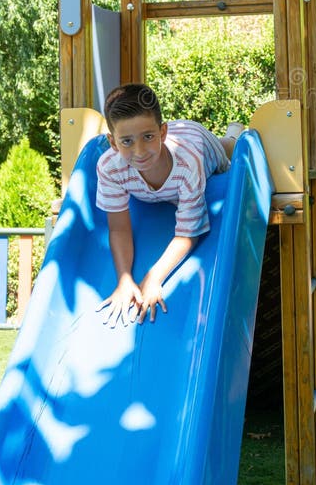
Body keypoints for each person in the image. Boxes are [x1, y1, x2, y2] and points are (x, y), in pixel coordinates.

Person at [95, 83, 243, 327]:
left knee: (226, 156)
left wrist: (154, 277)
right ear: (112, 142)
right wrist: (124, 279)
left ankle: (231, 136)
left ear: (162, 133)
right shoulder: (110, 167)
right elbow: (119, 228)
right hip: (175, 148)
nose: (139, 151)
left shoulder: (189, 164)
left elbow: (188, 233)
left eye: (148, 137)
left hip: (196, 140)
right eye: (127, 141)